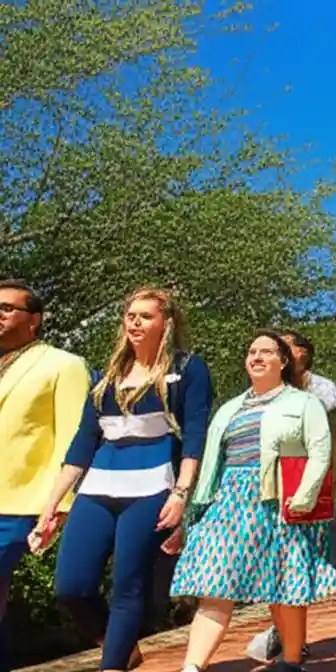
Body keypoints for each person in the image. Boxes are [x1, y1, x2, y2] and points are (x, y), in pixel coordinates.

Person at [31, 288, 213, 672]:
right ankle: (119, 644)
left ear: (167, 322)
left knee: (127, 584)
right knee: (71, 586)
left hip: (152, 487)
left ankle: (112, 664)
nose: (134, 322)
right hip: (98, 488)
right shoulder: (105, 378)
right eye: (130, 315)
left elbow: (196, 434)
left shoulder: (187, 369)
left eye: (145, 316)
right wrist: (52, 506)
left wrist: (182, 492)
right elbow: (82, 444)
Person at [171, 331, 336, 672]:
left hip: (281, 502)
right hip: (230, 502)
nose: (257, 357)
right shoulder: (229, 409)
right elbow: (213, 462)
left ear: (283, 361)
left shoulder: (304, 403)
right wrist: (198, 509)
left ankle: (291, 660)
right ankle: (192, 666)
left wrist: (303, 498)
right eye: (251, 352)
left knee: (283, 584)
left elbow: (321, 452)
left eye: (266, 352)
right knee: (214, 583)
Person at [0, 280, 90, 672]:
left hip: (22, 501)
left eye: (6, 308)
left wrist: (62, 503)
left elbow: (73, 437)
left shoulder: (63, 365)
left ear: (34, 319)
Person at [243, 329, 336, 665]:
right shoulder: (259, 393)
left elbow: (317, 435)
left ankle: (290, 641)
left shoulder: (320, 391)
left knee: (298, 564)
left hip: (308, 488)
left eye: (283, 346)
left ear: (299, 354)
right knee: (274, 565)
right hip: (271, 489)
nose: (273, 352)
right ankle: (286, 635)